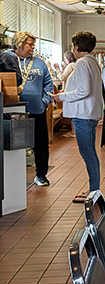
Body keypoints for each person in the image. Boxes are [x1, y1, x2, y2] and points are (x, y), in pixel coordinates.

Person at [53, 31, 104, 204]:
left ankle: (94, 190)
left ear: (76, 47)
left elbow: (83, 90)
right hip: (89, 112)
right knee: (90, 151)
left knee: (87, 151)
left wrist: (62, 96)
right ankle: (94, 188)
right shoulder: (92, 62)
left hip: (83, 113)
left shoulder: (82, 63)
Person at [11, 31, 53, 186]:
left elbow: (48, 84)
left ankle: (41, 175)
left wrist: (44, 101)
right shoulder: (8, 59)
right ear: (19, 44)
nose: (33, 47)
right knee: (15, 144)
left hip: (37, 109)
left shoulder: (39, 63)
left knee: (41, 144)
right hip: (14, 110)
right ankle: (13, 178)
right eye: (30, 44)